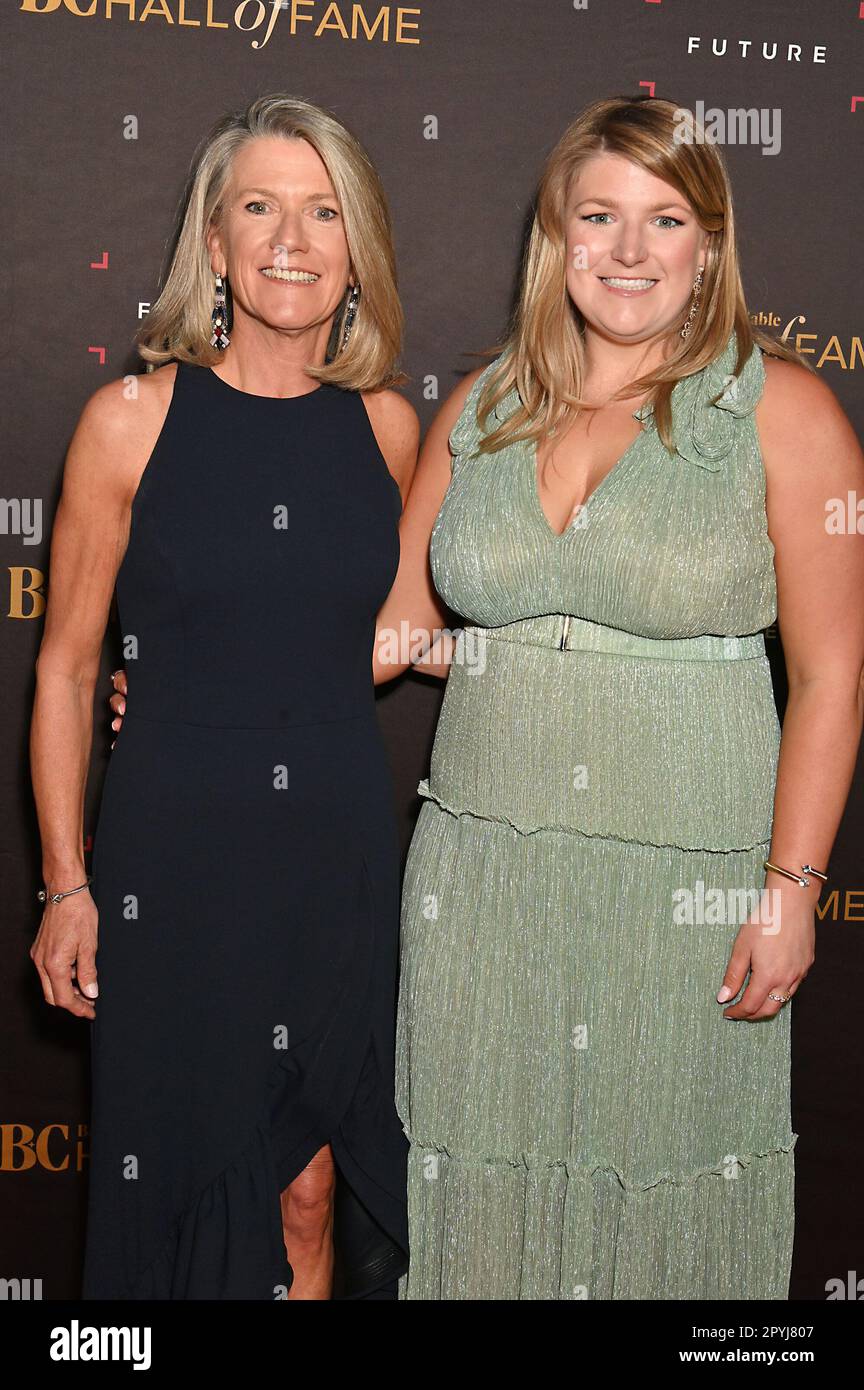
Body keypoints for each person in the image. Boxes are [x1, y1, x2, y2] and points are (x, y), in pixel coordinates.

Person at [109, 95, 864, 1299]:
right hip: (482, 889)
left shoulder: (786, 414)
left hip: (682, 890)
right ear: (553, 238)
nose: (627, 250)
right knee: (476, 1200)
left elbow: (832, 676)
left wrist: (789, 888)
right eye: (597, 216)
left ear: (709, 247)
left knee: (667, 1197)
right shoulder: (478, 412)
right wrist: (191, 690)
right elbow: (383, 632)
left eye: (664, 220)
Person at [29, 94, 419, 1300]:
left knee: (309, 1184)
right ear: (212, 243)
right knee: (172, 1169)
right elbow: (67, 667)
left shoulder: (393, 427)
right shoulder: (128, 422)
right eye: (258, 207)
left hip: (335, 851)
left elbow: (394, 633)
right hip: (174, 856)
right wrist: (67, 881)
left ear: (356, 248)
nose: (289, 237)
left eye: (321, 211)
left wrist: (229, 684)